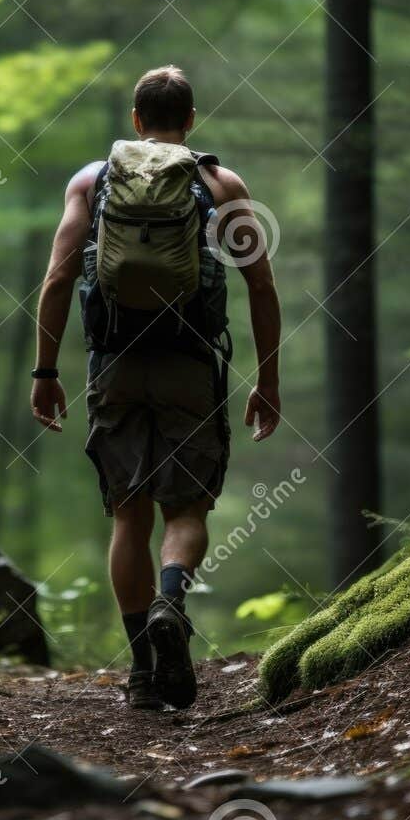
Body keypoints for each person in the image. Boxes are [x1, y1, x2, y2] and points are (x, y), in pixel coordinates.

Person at [30, 65, 282, 711]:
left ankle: (143, 669)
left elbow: (59, 279)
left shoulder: (93, 182)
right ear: (191, 121)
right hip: (190, 366)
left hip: (114, 367)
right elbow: (260, 285)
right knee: (186, 511)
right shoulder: (220, 185)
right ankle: (172, 599)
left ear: (136, 122)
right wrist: (267, 381)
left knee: (128, 515)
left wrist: (46, 372)